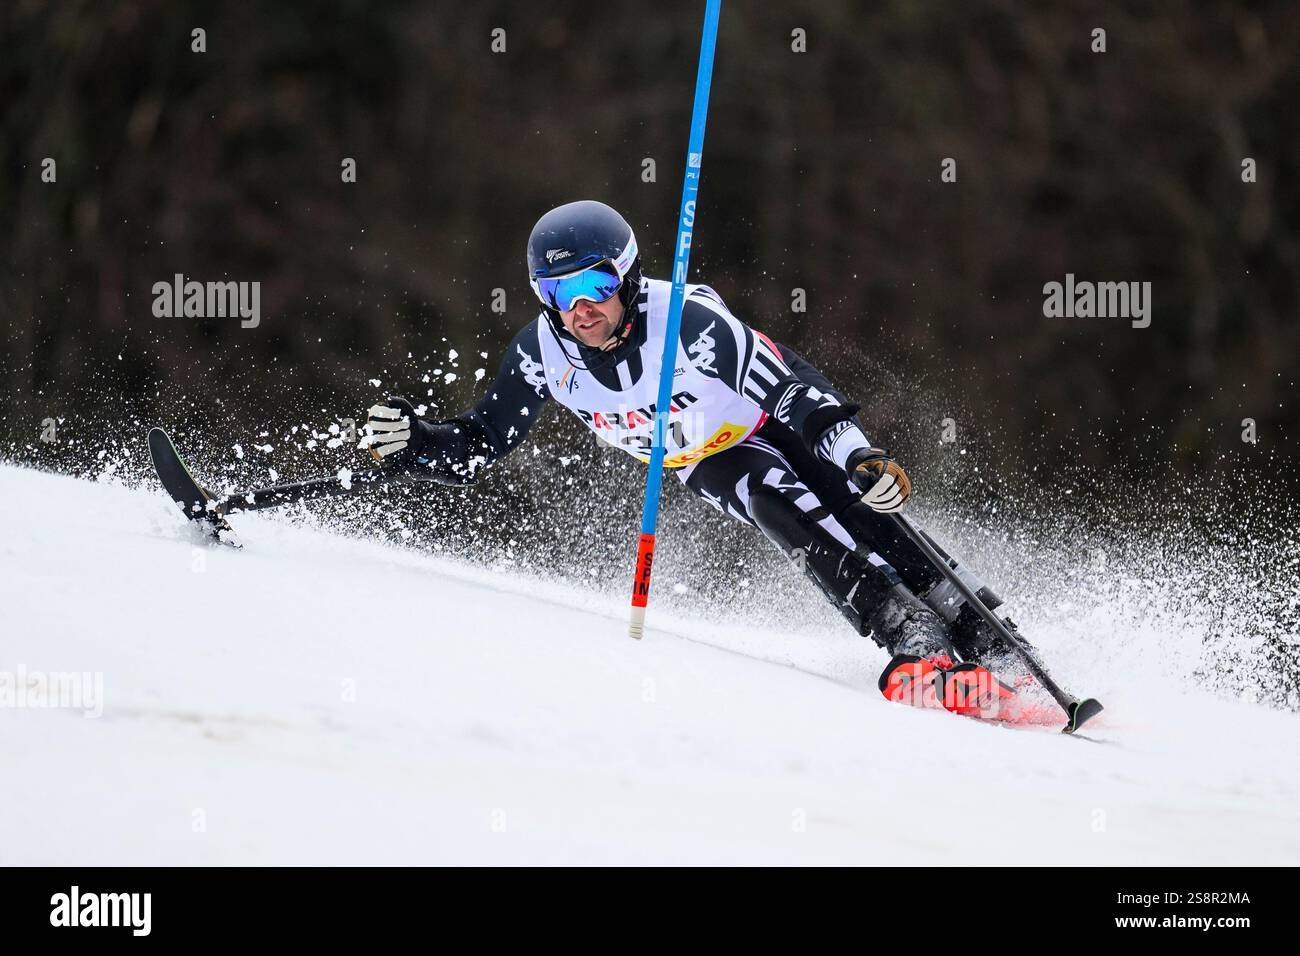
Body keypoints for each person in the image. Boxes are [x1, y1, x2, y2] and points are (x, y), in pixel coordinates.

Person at [360, 200, 1025, 716]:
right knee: (773, 500)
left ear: (626, 275)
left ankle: (984, 628)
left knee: (848, 503)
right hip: (707, 457)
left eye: (594, 284)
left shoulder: (688, 326)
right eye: (560, 294)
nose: (582, 308)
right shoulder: (542, 353)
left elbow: (793, 389)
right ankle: (913, 641)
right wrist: (418, 444)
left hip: (769, 416)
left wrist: (859, 456)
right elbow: (481, 444)